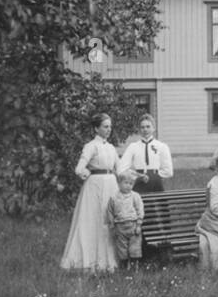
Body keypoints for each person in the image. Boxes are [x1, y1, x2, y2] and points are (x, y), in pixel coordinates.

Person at [60, 112, 120, 273]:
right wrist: (88, 174)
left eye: (110, 126)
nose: (109, 130)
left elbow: (119, 169)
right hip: (95, 187)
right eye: (105, 126)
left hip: (111, 185)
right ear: (96, 128)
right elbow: (79, 168)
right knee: (93, 221)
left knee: (109, 221)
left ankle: (109, 261)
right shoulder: (91, 146)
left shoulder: (111, 147)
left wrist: (137, 175)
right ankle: (89, 261)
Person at [117, 113, 173, 194]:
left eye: (148, 126)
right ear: (139, 130)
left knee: (157, 205)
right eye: (142, 127)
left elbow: (168, 171)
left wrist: (153, 176)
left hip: (156, 183)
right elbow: (121, 169)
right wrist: (136, 175)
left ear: (153, 128)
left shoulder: (162, 146)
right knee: (139, 205)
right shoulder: (133, 146)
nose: (145, 130)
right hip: (138, 182)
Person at [106, 171, 145, 265]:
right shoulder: (114, 197)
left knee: (134, 247)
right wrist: (112, 225)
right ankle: (124, 266)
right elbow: (110, 211)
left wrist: (139, 225)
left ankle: (135, 266)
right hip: (120, 226)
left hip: (133, 225)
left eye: (131, 184)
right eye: (126, 183)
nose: (128, 186)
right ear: (119, 183)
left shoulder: (135, 196)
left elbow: (140, 210)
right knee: (121, 248)